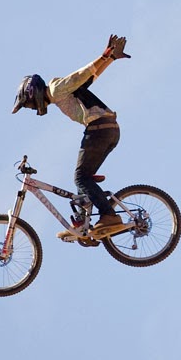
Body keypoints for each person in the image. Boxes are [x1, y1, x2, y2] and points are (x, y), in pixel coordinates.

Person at [12, 34, 132, 237]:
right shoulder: (61, 95)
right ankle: (87, 227)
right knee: (82, 181)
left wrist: (103, 57)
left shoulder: (56, 89)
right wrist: (110, 59)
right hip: (109, 130)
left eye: (29, 104)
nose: (33, 109)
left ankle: (108, 216)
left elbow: (80, 75)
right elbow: (90, 78)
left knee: (80, 177)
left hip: (99, 130)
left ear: (34, 93)